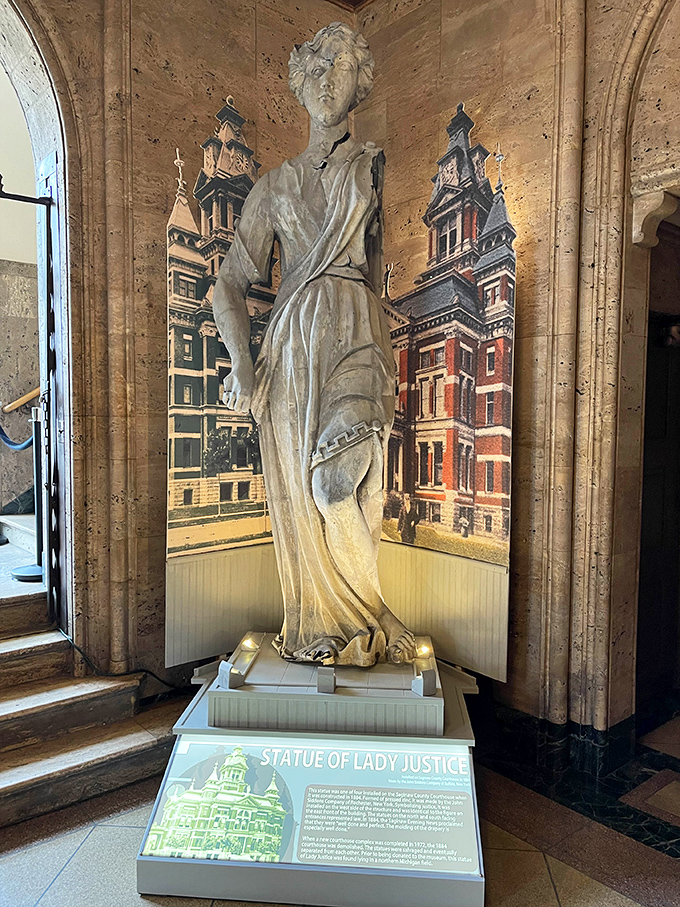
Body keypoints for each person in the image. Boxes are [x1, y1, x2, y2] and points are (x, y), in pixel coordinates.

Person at [212, 22, 416, 667]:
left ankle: (375, 612)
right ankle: (328, 624)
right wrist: (242, 365)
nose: (328, 81)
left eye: (341, 67)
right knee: (310, 500)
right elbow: (228, 283)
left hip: (357, 332)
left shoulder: (370, 166)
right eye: (317, 69)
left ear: (360, 85)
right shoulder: (273, 187)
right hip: (293, 351)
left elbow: (376, 271)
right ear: (300, 85)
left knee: (338, 486)